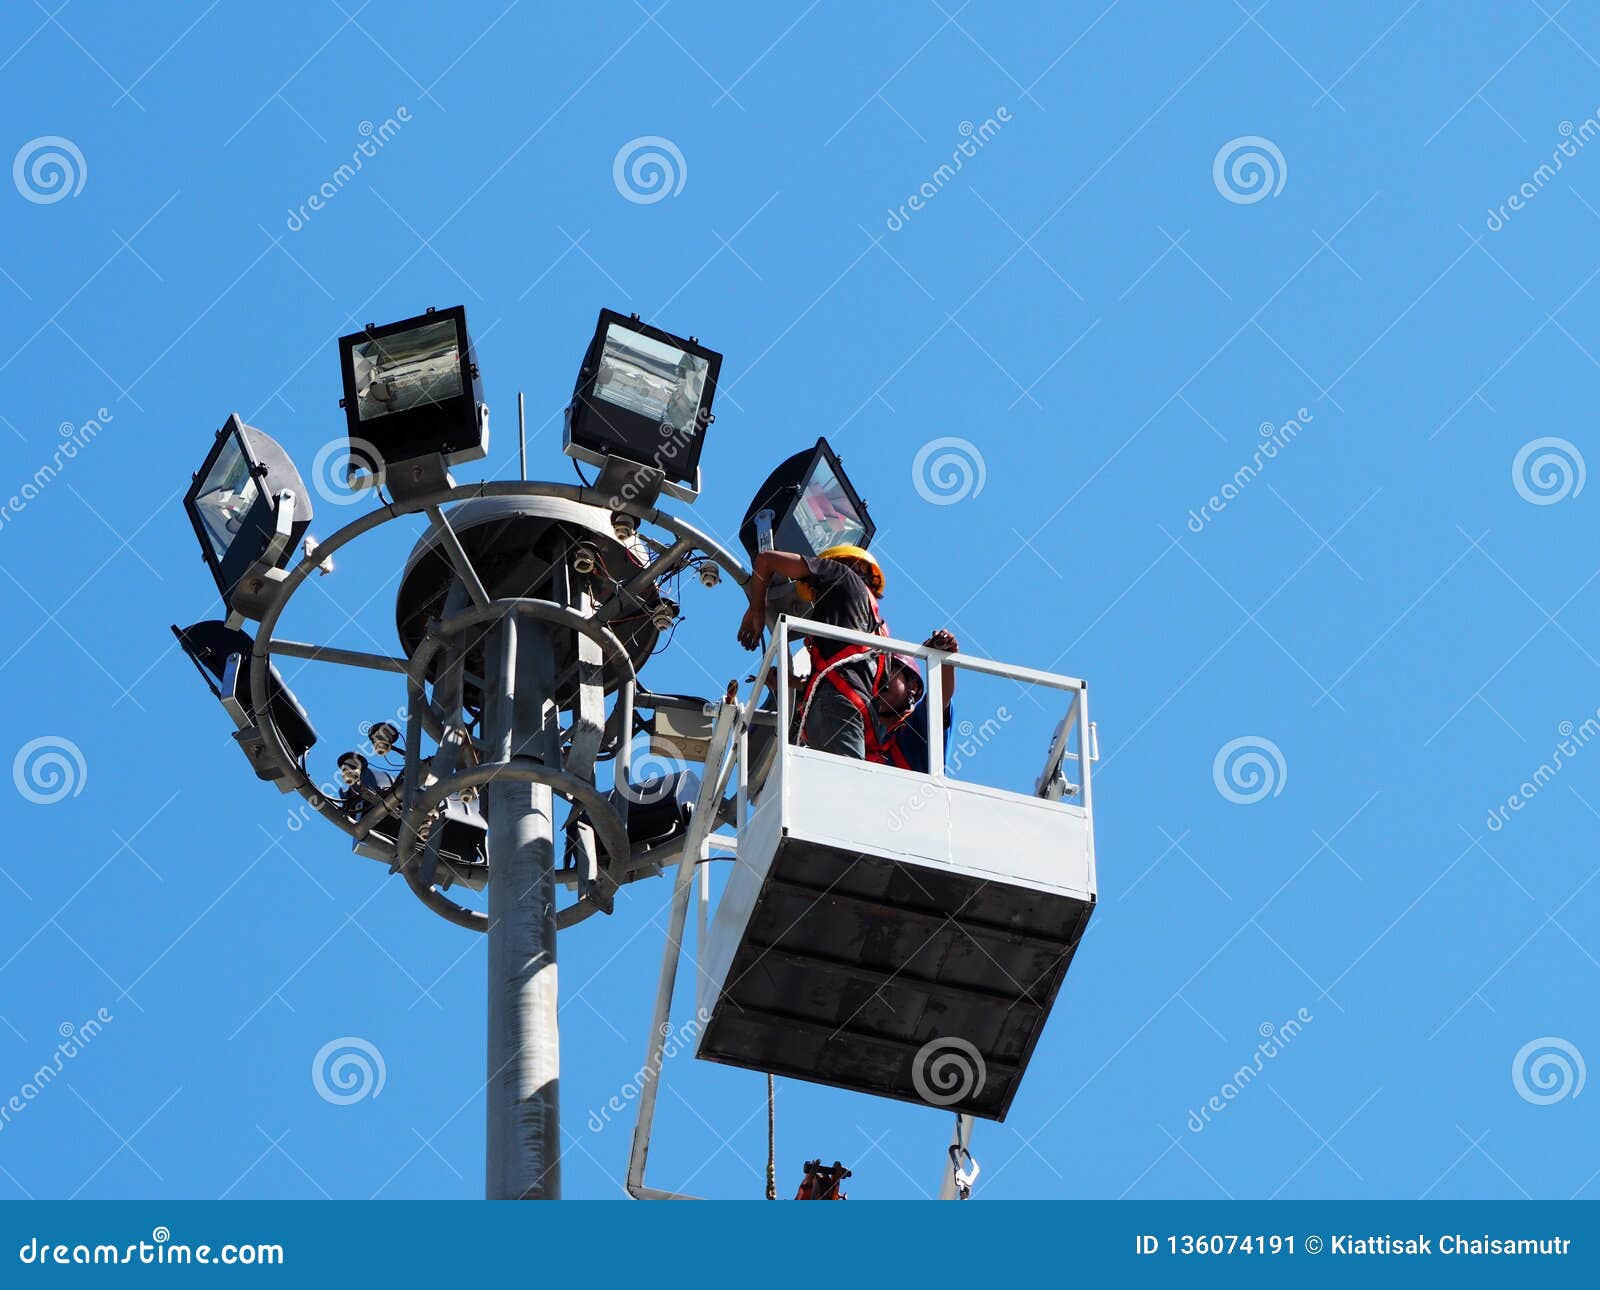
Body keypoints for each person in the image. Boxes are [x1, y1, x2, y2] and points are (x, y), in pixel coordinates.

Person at [737, 543, 891, 760]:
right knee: (843, 777)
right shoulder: (880, 631)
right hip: (858, 716)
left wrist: (756, 609)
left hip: (835, 707)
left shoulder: (839, 573)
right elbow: (850, 678)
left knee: (841, 779)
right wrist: (791, 682)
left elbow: (766, 560)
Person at [881, 629, 959, 773]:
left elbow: (940, 696)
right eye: (875, 673)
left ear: (913, 687)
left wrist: (942, 656)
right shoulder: (862, 731)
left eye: (888, 671)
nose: (880, 680)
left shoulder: (917, 724)